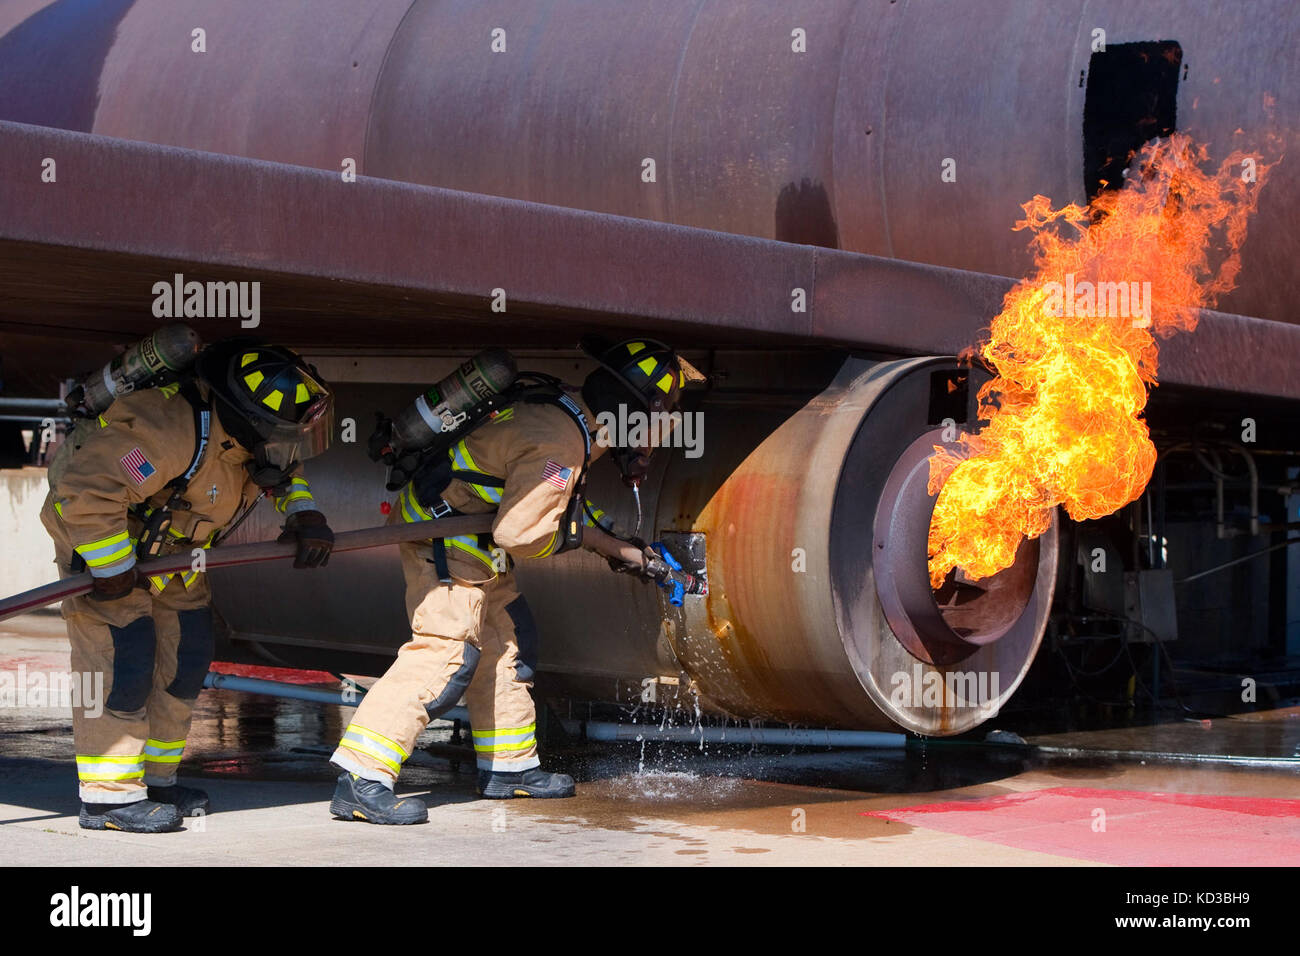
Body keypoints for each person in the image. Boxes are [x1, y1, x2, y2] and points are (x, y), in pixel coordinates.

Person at [328, 337, 685, 823]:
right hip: (445, 543)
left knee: (506, 645)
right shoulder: (561, 444)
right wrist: (583, 543)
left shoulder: (567, 414)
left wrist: (628, 551)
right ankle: (361, 775)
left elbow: (558, 504)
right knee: (446, 653)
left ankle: (509, 769)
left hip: (475, 546)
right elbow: (521, 533)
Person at [40, 338, 336, 833]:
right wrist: (111, 566)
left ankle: (156, 780)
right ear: (250, 419)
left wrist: (304, 513)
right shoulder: (171, 430)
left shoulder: (258, 441)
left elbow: (284, 472)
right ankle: (108, 797)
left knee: (188, 656)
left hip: (175, 558)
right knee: (123, 661)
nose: (290, 447)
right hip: (107, 545)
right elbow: (85, 492)